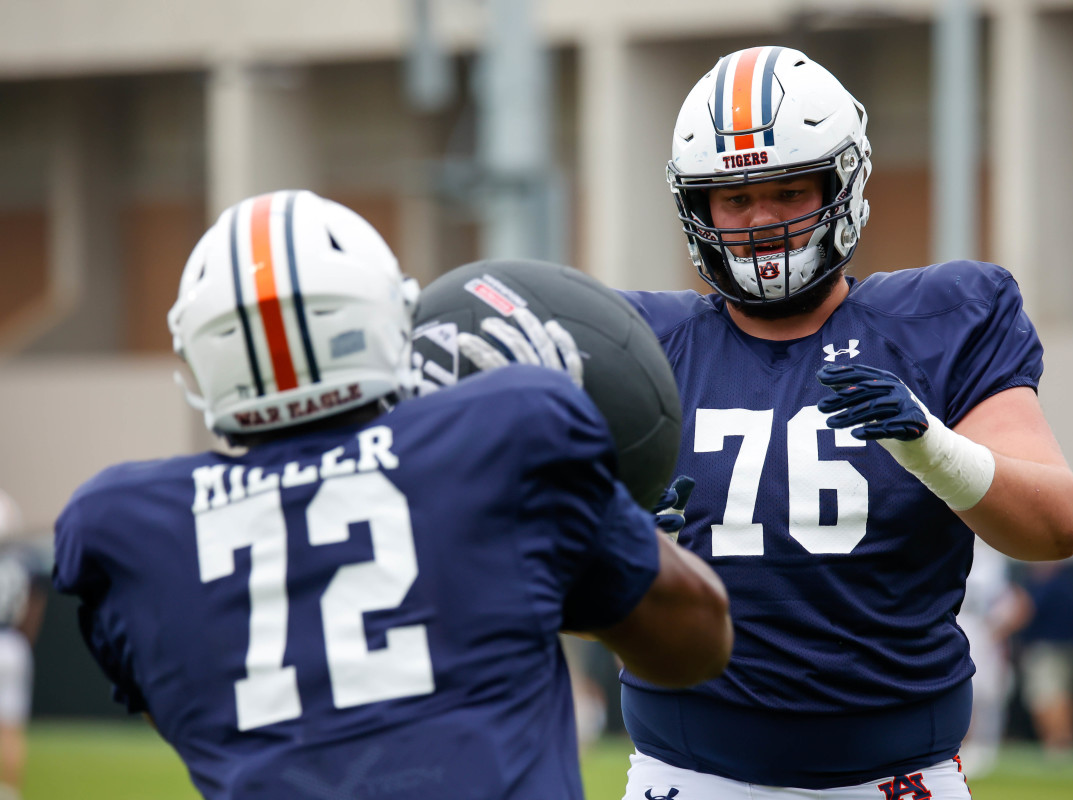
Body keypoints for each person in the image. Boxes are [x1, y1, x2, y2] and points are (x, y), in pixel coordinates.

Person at [53, 190, 732, 800]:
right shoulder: (512, 431)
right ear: (388, 317)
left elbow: (185, 707)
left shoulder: (123, 527)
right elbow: (697, 647)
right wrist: (591, 500)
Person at [614, 45, 1073, 798]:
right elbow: (536, 582)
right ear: (695, 208)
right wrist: (617, 554)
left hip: (891, 776)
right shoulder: (640, 345)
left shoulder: (945, 319)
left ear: (845, 184)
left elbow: (1055, 524)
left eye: (788, 190)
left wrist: (932, 448)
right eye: (733, 199)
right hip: (685, 773)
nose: (759, 220)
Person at [956, 538, 1031, 777]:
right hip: (958, 629)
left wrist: (998, 630)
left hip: (984, 632)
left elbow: (1016, 603)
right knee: (964, 691)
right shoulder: (950, 550)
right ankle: (965, 745)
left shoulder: (992, 560)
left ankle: (987, 745)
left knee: (987, 693)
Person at [1014, 561, 1073, 759]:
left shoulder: (1046, 585)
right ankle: (1065, 740)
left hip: (1046, 649)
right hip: (1071, 648)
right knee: (1065, 694)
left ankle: (1057, 743)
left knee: (1048, 697)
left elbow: (1026, 613)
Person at [0, 491, 48, 800]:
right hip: (13, 644)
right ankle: (10, 792)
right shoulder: (24, 561)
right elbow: (34, 604)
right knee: (11, 728)